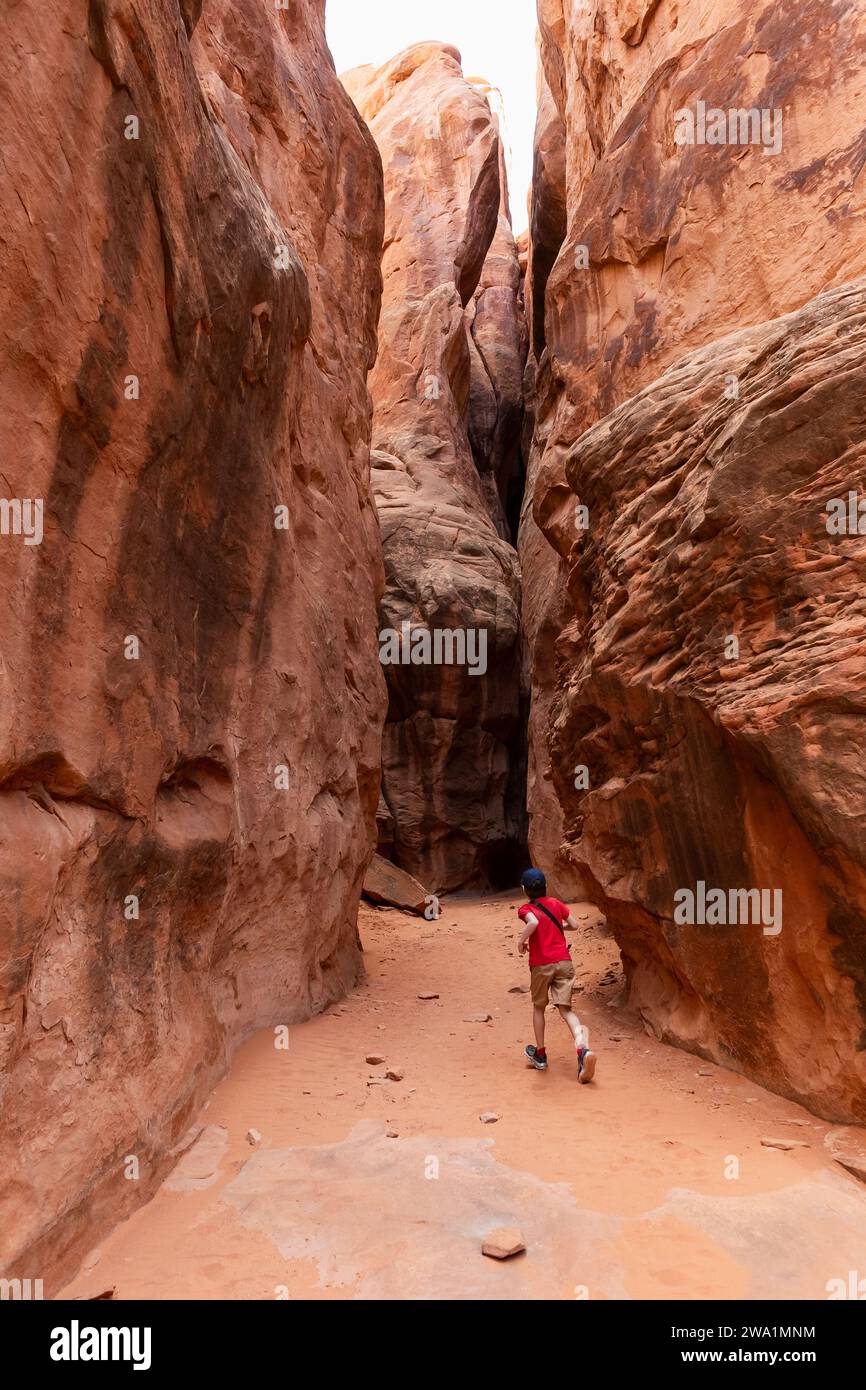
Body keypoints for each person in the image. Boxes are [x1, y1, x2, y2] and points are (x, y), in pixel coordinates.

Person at [517, 867, 597, 1083]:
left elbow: (533, 922)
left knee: (538, 1007)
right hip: (564, 962)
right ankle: (583, 1050)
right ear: (545, 886)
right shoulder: (556, 904)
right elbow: (575, 925)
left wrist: (521, 941)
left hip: (541, 965)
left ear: (525, 889)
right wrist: (558, 927)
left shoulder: (525, 909)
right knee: (566, 1010)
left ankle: (540, 1055)